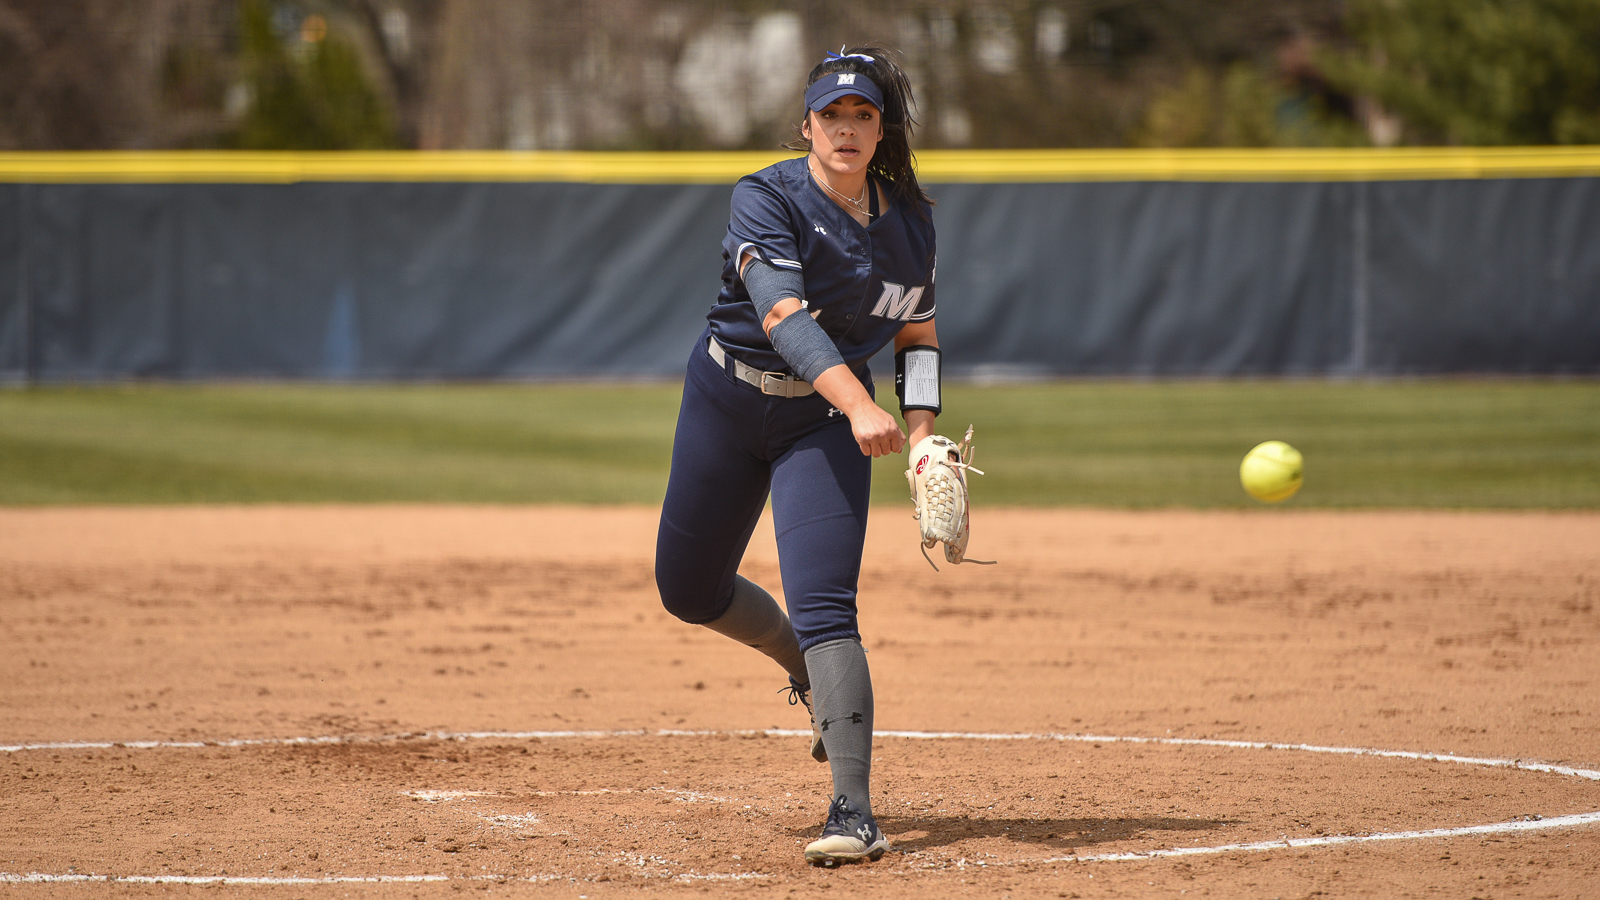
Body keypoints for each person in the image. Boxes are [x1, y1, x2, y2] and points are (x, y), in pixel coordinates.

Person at [654, 45, 942, 868]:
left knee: (826, 606)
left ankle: (854, 809)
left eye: (864, 115)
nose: (847, 129)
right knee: (686, 590)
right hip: (727, 400)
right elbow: (782, 313)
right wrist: (861, 405)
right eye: (832, 115)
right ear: (805, 125)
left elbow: (918, 337)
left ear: (882, 130)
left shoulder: (912, 221)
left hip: (821, 426)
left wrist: (922, 436)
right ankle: (799, 669)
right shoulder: (766, 195)